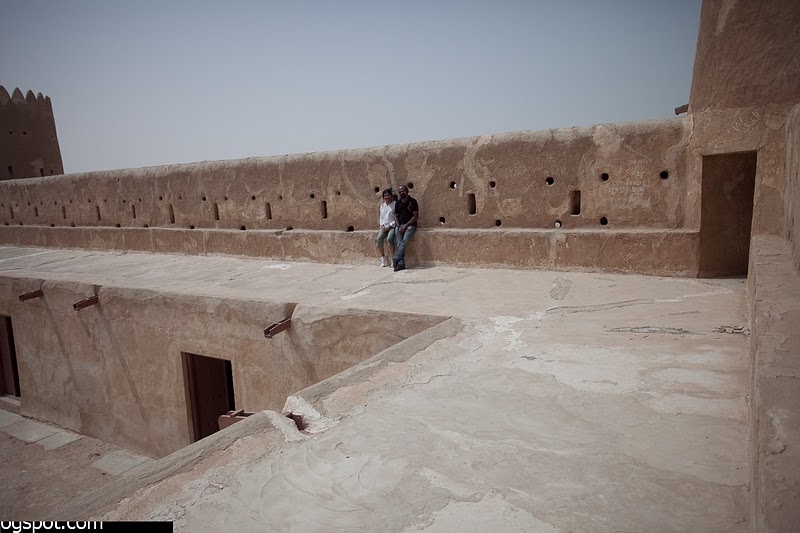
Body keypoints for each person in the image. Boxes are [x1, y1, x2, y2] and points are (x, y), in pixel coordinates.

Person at [392, 184, 419, 271]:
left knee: (405, 240)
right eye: (400, 192)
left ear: (407, 191)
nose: (402, 193)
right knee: (399, 242)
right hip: (400, 225)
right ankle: (401, 264)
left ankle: (395, 258)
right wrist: (399, 226)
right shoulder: (398, 203)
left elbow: (415, 216)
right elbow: (395, 215)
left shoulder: (413, 201)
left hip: (410, 225)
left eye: (403, 191)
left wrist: (405, 226)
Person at [376, 188, 396, 267]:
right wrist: (382, 225)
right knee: (379, 239)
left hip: (392, 226)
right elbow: (381, 217)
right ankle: (383, 257)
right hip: (384, 226)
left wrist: (390, 226)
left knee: (389, 239)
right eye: (385, 196)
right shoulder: (382, 206)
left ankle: (394, 258)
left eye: (388, 195)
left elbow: (397, 217)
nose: (386, 197)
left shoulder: (395, 204)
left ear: (391, 196)